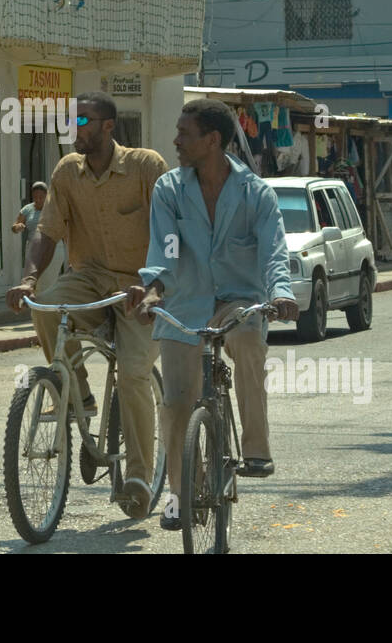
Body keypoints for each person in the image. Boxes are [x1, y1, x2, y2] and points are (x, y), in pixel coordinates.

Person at [127, 99, 299, 531]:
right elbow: (165, 248)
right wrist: (154, 291)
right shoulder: (169, 189)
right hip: (182, 302)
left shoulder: (256, 193)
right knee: (177, 404)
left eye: (184, 134)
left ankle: (256, 448)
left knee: (246, 341)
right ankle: (181, 497)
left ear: (212, 140)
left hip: (236, 301)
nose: (175, 141)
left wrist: (280, 293)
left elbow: (274, 251)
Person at [5, 92, 167, 520]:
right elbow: (47, 231)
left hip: (141, 285)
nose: (72, 126)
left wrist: (157, 285)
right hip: (89, 278)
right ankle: (80, 393)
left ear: (108, 126)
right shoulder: (67, 171)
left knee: (133, 373)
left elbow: (172, 230)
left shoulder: (145, 166)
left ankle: (138, 478)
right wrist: (27, 280)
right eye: (69, 118)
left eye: (81, 118)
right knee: (46, 307)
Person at [12, 182, 48, 268]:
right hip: (32, 248)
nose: (38, 200)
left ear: (47, 195)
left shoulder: (53, 209)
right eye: (35, 197)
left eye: (41, 197)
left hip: (50, 249)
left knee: (47, 280)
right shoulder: (27, 209)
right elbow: (14, 227)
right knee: (32, 278)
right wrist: (18, 227)